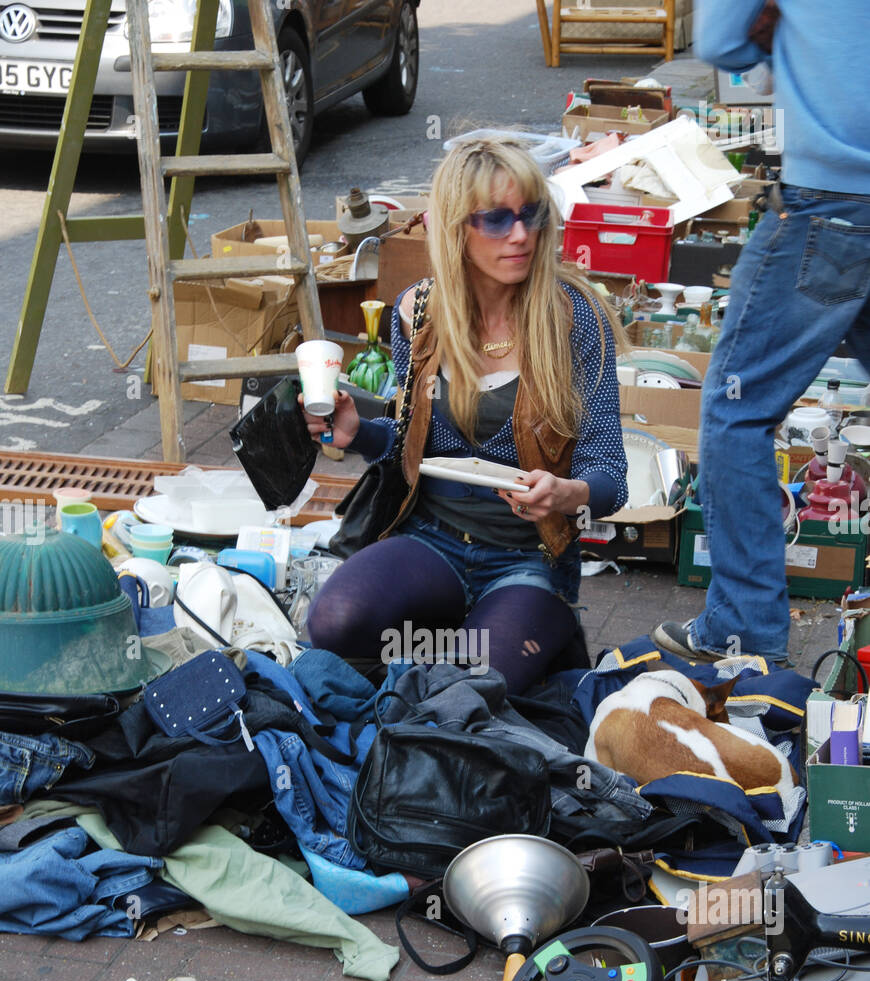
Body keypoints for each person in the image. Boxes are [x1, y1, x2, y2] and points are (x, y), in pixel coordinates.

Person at [300, 136, 628, 696]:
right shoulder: (418, 314)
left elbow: (610, 477)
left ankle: (503, 638)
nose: (521, 234)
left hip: (527, 559)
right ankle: (451, 644)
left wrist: (567, 493)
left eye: (530, 214)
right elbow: (412, 448)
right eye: (497, 219)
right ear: (456, 229)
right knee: (333, 622)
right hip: (433, 540)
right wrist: (359, 436)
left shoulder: (575, 319)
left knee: (473, 688)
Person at [654, 0, 870, 667]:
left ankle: (741, 629)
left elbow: (718, 37)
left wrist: (781, 49)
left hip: (832, 198)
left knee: (733, 410)